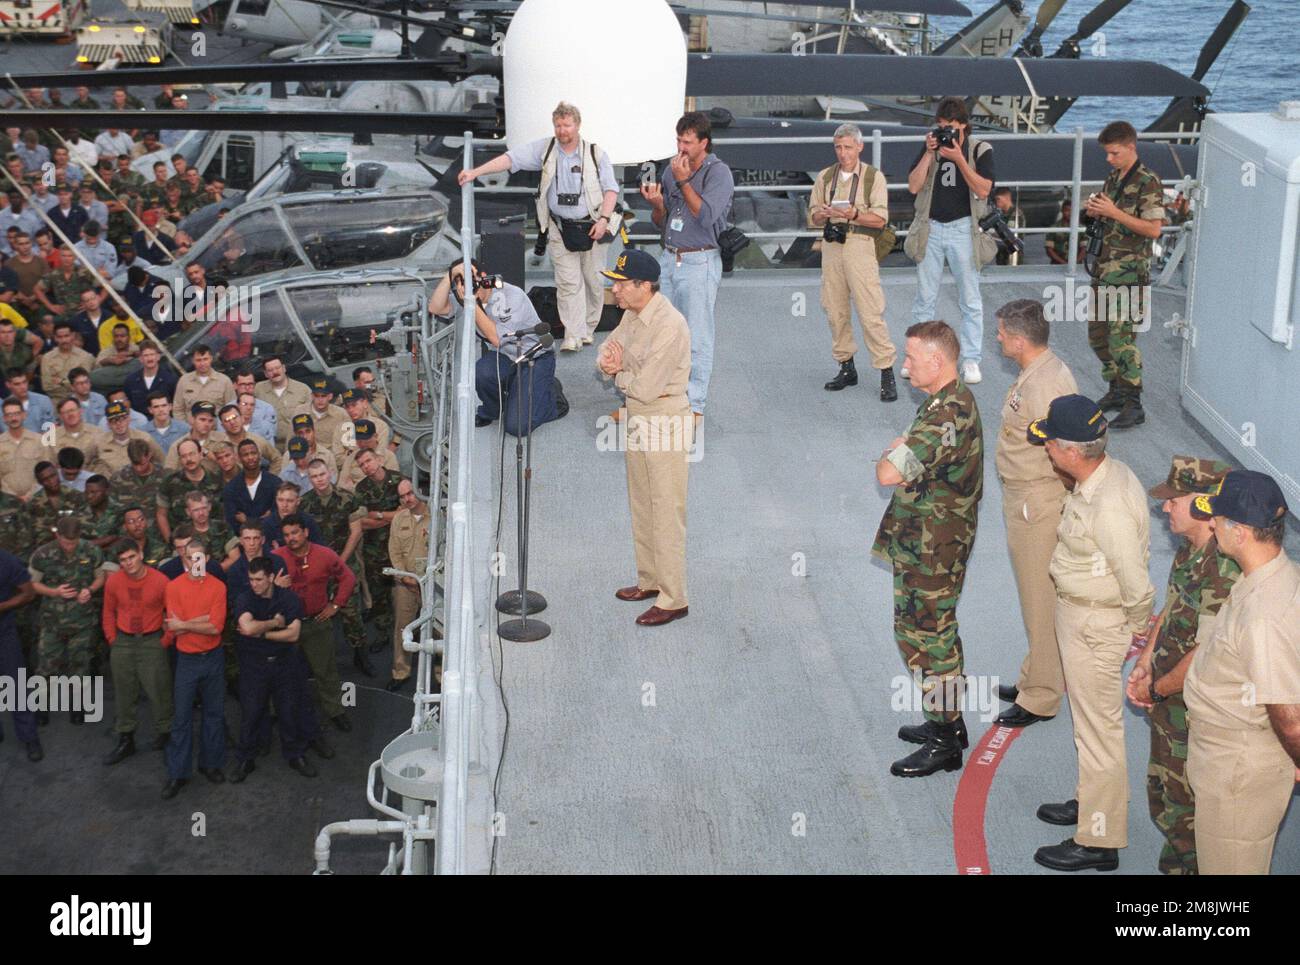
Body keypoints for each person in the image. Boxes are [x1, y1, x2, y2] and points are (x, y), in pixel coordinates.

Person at [1028, 394, 1154, 872]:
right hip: (1082, 616)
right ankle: (1090, 803)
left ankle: (1099, 840)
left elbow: (1136, 585)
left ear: (1071, 451)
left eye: (1049, 445)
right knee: (1089, 725)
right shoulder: (1107, 473)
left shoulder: (1109, 505)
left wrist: (1137, 635)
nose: (1046, 451)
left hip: (1096, 625)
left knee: (1100, 733)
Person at [874, 320, 983, 776]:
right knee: (935, 633)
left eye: (911, 358)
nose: (903, 367)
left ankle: (944, 741)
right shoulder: (948, 401)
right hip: (931, 540)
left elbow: (887, 474)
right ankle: (949, 722)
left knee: (925, 639)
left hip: (933, 548)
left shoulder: (943, 417)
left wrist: (892, 450)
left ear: (937, 361)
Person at [1123, 456, 1239, 874]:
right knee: (1168, 799)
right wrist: (1146, 659)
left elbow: (1208, 652)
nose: (1165, 507)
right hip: (1173, 704)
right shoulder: (1191, 551)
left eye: (1175, 499)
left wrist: (1157, 689)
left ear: (1206, 507)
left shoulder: (1224, 569)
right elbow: (1172, 609)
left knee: (1193, 813)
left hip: (1200, 713)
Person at [1183, 470, 1300, 874]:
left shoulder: (1264, 615)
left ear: (1242, 532)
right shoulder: (1279, 576)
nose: (1211, 523)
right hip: (1237, 760)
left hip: (1238, 772)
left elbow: (1288, 715)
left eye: (1217, 518)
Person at [459, 101, 620, 352]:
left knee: (593, 281)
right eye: (558, 125)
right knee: (567, 282)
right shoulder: (545, 150)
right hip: (558, 226)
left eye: (567, 125)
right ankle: (572, 334)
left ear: (577, 125)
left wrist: (604, 220)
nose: (562, 130)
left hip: (592, 228)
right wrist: (474, 172)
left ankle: (588, 327)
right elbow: (510, 159)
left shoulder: (596, 154)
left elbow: (611, 190)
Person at [991, 300, 1078, 729]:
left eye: (1002, 333)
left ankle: (1041, 696)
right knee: (1034, 597)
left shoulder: (1046, 384)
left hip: (1036, 501)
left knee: (1039, 599)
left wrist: (1054, 499)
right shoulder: (1040, 372)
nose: (998, 339)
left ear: (1020, 340)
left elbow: (1067, 452)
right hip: (1027, 496)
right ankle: (1035, 674)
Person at [597, 249, 693, 627]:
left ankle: (674, 599)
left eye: (620, 284)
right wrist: (611, 364)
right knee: (642, 503)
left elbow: (648, 387)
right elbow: (606, 351)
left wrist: (619, 372)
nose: (614, 291)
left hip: (664, 419)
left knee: (666, 510)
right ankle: (650, 580)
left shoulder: (670, 325)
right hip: (638, 418)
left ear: (644, 286)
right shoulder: (632, 315)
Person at [640, 111, 734, 419]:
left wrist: (683, 181)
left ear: (704, 143)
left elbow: (706, 217)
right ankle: (667, 395)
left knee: (697, 335)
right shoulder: (670, 171)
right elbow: (662, 222)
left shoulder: (718, 174)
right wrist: (657, 205)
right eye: (679, 140)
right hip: (669, 259)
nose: (681, 147)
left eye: (688, 142)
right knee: (665, 332)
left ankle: (695, 406)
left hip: (700, 261)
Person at [904, 97, 996, 385]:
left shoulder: (980, 149)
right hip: (930, 228)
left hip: (963, 229)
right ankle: (917, 358)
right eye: (942, 127)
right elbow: (913, 185)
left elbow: (983, 190)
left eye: (952, 128)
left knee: (970, 299)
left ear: (965, 126)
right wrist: (930, 154)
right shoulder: (932, 146)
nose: (947, 134)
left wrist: (958, 159)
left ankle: (970, 360)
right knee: (924, 301)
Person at [1085, 121, 1166, 430]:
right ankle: (1116, 389)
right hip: (1106, 268)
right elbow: (1111, 217)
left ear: (1131, 148)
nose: (1109, 159)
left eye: (1114, 153)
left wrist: (1115, 212)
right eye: (1107, 153)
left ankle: (1134, 402)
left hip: (1129, 273)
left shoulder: (1148, 182)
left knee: (1122, 339)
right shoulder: (1114, 177)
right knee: (1098, 336)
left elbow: (1153, 229)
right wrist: (1096, 211)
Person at [808, 123, 897, 401]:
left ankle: (886, 371)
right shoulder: (824, 177)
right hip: (832, 247)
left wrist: (854, 214)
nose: (843, 153)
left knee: (870, 310)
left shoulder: (873, 177)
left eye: (848, 147)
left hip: (860, 244)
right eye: (838, 147)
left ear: (860, 146)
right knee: (835, 310)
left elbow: (881, 219)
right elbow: (811, 217)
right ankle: (846, 366)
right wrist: (823, 214)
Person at [430, 260, 564, 435]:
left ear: (483, 277)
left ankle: (551, 395)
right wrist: (449, 276)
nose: (465, 287)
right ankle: (495, 408)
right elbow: (435, 307)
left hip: (535, 357)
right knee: (482, 372)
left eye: (469, 280)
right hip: (506, 356)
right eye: (461, 282)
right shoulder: (466, 298)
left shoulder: (511, 295)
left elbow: (497, 339)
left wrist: (471, 301)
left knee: (517, 428)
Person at [228, 557, 319, 782]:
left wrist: (263, 633)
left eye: (259, 579)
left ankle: (295, 754)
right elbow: (247, 627)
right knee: (251, 713)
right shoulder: (244, 598)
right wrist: (273, 623)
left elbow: (293, 634)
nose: (254, 584)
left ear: (270, 578)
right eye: (251, 579)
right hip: (254, 665)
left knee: (288, 711)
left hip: (283, 663)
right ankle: (245, 759)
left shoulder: (288, 598)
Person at [273, 513, 357, 732]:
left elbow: (348, 578)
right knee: (282, 671)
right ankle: (277, 712)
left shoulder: (325, 555)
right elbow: (258, 588)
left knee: (326, 670)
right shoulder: (275, 557)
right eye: (286, 535)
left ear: (305, 532)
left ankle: (335, 710)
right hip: (285, 625)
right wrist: (274, 585)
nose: (291, 538)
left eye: (295, 533)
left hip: (316, 622)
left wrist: (336, 605)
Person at [161, 541, 227, 799]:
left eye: (198, 558)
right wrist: (200, 620)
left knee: (214, 713)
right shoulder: (173, 586)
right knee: (181, 718)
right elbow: (173, 628)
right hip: (186, 660)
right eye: (189, 558)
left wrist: (186, 623)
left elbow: (216, 627)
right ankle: (178, 773)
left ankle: (211, 764)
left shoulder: (218, 586)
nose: (193, 563)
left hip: (213, 657)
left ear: (207, 558)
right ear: (184, 558)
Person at [102, 539, 173, 766]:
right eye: (123, 560)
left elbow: (172, 612)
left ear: (141, 554)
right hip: (123, 641)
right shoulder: (113, 582)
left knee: (159, 690)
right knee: (124, 693)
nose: (128, 563)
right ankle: (126, 739)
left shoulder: (161, 581)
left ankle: (166, 734)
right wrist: (113, 639)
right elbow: (108, 612)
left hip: (152, 641)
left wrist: (165, 640)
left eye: (131, 557)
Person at [28, 517, 106, 724]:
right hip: (52, 621)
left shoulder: (91, 551)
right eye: (65, 542)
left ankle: (77, 705)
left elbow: (101, 577)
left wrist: (90, 590)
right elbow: (32, 584)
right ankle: (41, 706)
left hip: (83, 621)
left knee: (80, 665)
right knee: (47, 666)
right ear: (57, 536)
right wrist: (54, 592)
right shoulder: (43, 554)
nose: (69, 546)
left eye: (73, 542)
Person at [300, 457, 368, 665]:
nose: (319, 480)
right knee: (317, 611)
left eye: (322, 474)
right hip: (318, 567)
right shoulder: (305, 504)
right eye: (314, 477)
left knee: (351, 612)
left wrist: (338, 562)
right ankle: (319, 659)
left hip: (344, 564)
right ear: (310, 479)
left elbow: (355, 533)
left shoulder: (347, 498)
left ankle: (360, 654)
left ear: (330, 473)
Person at [354, 451, 403, 651]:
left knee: (407, 591)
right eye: (362, 464)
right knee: (379, 593)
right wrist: (392, 518)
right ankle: (383, 634)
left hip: (401, 547)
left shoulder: (399, 480)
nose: (366, 466)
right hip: (375, 550)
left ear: (379, 460)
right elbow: (362, 522)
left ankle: (411, 631)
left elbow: (407, 511)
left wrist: (380, 514)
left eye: (368, 460)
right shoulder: (362, 488)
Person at [387, 479, 430, 692]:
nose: (407, 499)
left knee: (438, 631)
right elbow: (394, 551)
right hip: (405, 583)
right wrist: (406, 578)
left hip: (433, 585)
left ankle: (439, 674)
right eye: (403, 496)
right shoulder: (398, 519)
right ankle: (401, 671)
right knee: (402, 628)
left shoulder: (438, 516)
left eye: (410, 493)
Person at [0, 548, 41, 762]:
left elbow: (29, 593)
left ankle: (29, 737)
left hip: (4, 633)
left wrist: (3, 606)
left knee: (16, 687)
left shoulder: (7, 561)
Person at [222, 438, 282, 532]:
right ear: (239, 458)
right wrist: (262, 519)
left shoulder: (275, 483)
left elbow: (277, 516)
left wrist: (246, 520)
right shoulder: (231, 488)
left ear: (259, 455)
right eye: (245, 455)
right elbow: (232, 520)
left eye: (253, 453)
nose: (250, 457)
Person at [253, 355, 310, 449]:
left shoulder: (303, 390)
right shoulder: (258, 390)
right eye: (270, 370)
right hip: (269, 446)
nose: (275, 372)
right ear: (265, 374)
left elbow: (312, 418)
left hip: (298, 445)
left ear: (284, 368)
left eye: (277, 368)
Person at [94, 399, 163, 476]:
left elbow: (161, 461)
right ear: (108, 424)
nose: (118, 424)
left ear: (129, 419)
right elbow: (87, 463)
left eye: (122, 419)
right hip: (111, 485)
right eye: (113, 421)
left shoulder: (145, 438)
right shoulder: (99, 442)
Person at [40, 321, 96, 405]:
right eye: (60, 337)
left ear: (73, 335)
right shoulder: (47, 358)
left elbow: (84, 386)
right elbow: (47, 386)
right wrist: (73, 385)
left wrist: (61, 382)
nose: (64, 340)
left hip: (80, 402)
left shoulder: (85, 357)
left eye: (66, 336)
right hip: (56, 403)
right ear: (55, 338)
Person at [0, 394, 46, 496]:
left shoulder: (39, 441)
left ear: (24, 415)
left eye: (17, 413)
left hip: (37, 498)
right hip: (8, 502)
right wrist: (12, 496)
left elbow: (46, 472)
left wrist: (30, 495)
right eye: (9, 415)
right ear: (4, 418)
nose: (13, 418)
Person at [173, 344, 235, 415]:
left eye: (205, 359)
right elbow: (178, 410)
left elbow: (231, 409)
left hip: (216, 425)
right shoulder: (184, 381)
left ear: (211, 359)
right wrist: (184, 426)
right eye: (198, 360)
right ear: (193, 361)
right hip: (190, 426)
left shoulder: (225, 381)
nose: (202, 363)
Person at [125, 343, 177, 414]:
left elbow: (176, 405)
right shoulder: (131, 380)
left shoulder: (170, 379)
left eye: (152, 354)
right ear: (140, 359)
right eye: (146, 355)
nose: (149, 358)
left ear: (158, 357)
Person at [4, 367, 54, 433]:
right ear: (8, 385)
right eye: (17, 384)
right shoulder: (3, 407)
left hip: (41, 442)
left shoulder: (43, 401)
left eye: (24, 382)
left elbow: (50, 430)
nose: (23, 387)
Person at [1044, 199, 1084, 266]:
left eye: (1072, 210)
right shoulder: (1054, 228)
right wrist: (1064, 264)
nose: (1070, 213)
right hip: (1057, 265)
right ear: (1062, 211)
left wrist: (1075, 264)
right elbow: (1049, 250)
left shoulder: (1080, 228)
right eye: (1067, 210)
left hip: (1077, 266)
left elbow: (1084, 249)